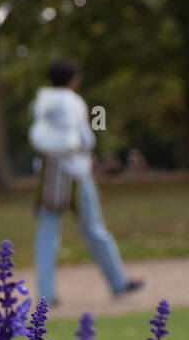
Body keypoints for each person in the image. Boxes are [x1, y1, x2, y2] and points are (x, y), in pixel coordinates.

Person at [29, 58, 144, 305]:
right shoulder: (74, 102)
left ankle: (46, 294)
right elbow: (84, 140)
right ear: (73, 79)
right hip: (76, 175)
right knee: (94, 230)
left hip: (49, 175)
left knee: (47, 235)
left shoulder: (41, 102)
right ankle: (118, 281)